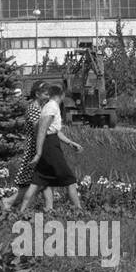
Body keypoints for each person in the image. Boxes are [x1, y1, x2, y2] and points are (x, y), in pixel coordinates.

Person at [19, 84, 85, 212]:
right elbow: (42, 130)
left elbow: (53, 130)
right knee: (69, 179)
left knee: (38, 180)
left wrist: (71, 143)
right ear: (62, 95)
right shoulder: (51, 107)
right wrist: (38, 154)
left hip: (49, 142)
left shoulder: (49, 106)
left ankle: (21, 211)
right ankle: (79, 210)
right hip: (50, 146)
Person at [0, 82, 55, 214]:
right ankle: (8, 201)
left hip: (39, 145)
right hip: (35, 148)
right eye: (46, 94)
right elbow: (38, 128)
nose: (48, 97)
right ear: (37, 94)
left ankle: (49, 209)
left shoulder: (39, 108)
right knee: (38, 182)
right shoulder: (33, 108)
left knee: (44, 179)